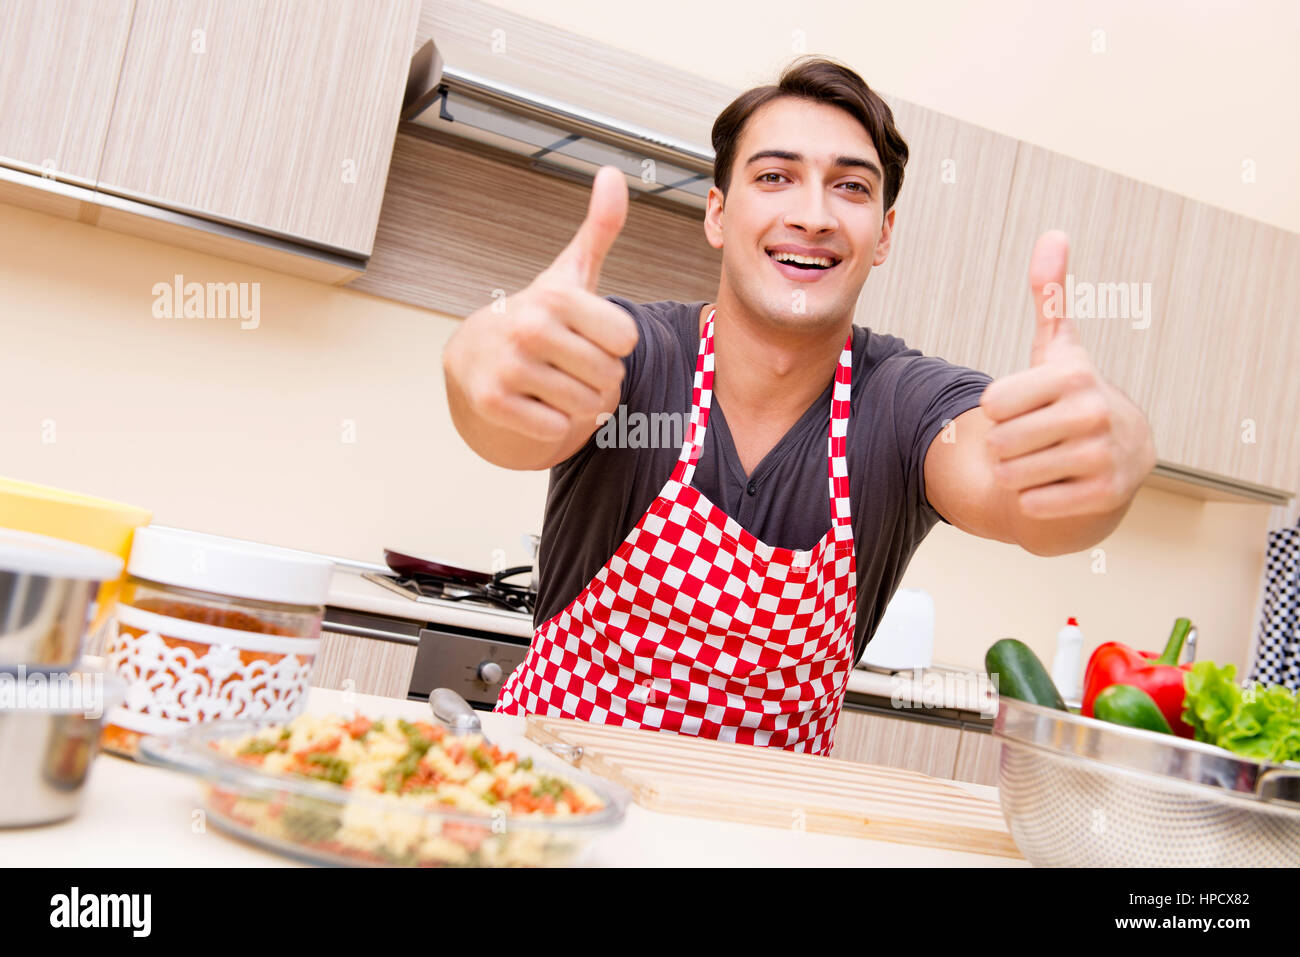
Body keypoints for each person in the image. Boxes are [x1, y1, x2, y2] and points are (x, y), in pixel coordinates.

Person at [442, 56, 1156, 755]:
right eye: (776, 177)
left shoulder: (901, 408)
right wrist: (479, 360)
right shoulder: (635, 356)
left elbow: (1020, 489)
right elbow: (504, 416)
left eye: (850, 187)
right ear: (718, 213)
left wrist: (1105, 450)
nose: (812, 215)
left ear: (884, 234)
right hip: (550, 803)